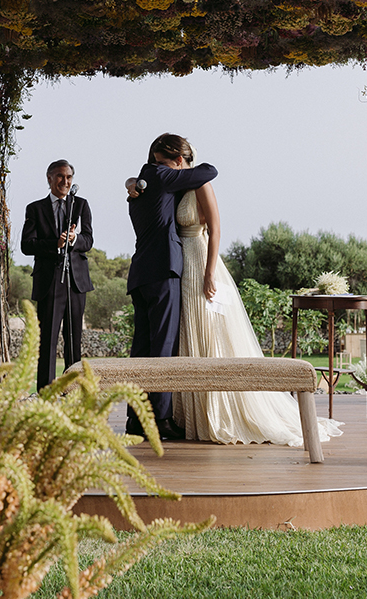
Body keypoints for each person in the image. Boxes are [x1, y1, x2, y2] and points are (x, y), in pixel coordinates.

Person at [129, 140, 343, 447]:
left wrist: (209, 272)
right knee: (181, 338)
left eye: (161, 160)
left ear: (177, 161)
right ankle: (179, 414)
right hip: (176, 266)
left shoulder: (198, 181)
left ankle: (202, 412)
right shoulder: (169, 185)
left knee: (200, 333)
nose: (157, 165)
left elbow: (215, 228)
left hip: (198, 260)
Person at [125, 133, 218, 439]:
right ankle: (161, 420)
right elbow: (209, 171)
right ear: (177, 160)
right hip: (164, 272)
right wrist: (181, 166)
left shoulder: (139, 187)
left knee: (141, 350)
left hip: (140, 273)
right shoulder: (161, 174)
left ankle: (135, 419)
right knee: (163, 349)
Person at [21, 159, 93, 392]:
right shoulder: (35, 209)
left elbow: (88, 241)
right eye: (60, 176)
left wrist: (74, 240)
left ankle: (72, 390)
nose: (65, 181)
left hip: (76, 282)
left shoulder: (81, 205)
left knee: (74, 341)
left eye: (69, 177)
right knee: (48, 341)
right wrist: (55, 244)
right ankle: (46, 392)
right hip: (49, 282)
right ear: (49, 178)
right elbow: (27, 245)